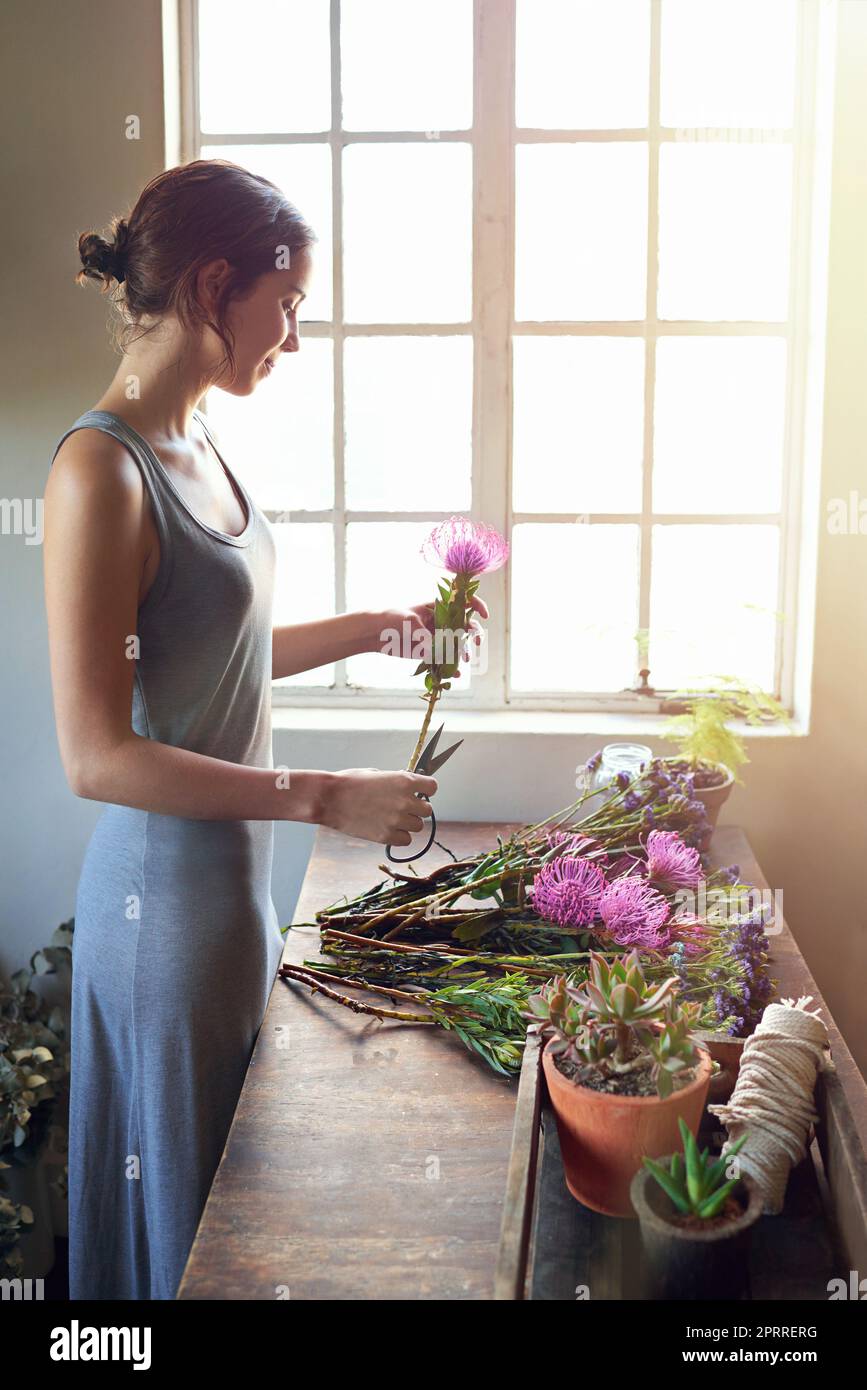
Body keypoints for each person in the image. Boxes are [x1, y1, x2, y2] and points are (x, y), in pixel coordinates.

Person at [43, 159, 487, 1300]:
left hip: (235, 900)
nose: (292, 338)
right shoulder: (104, 471)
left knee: (226, 1226)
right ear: (210, 286)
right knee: (184, 1241)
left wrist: (378, 631)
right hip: (163, 921)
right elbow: (98, 754)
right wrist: (324, 795)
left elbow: (213, 655)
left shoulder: (199, 439)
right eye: (286, 306)